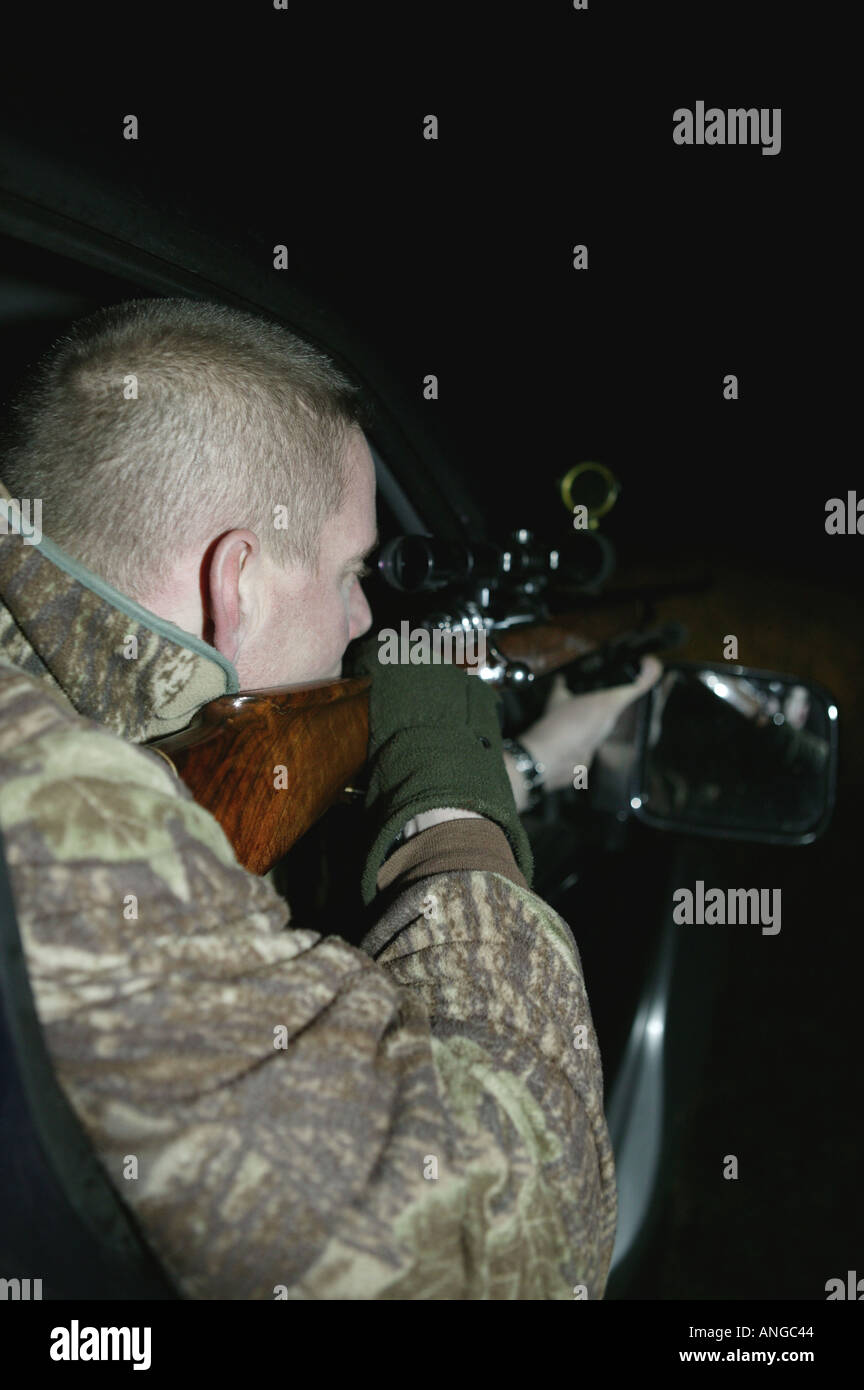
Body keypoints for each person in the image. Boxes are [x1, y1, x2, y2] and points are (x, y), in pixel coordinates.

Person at [0, 298, 659, 1300]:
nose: (362, 621)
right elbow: (529, 1237)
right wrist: (450, 797)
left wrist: (523, 762)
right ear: (241, 580)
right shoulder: (68, 819)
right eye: (353, 573)